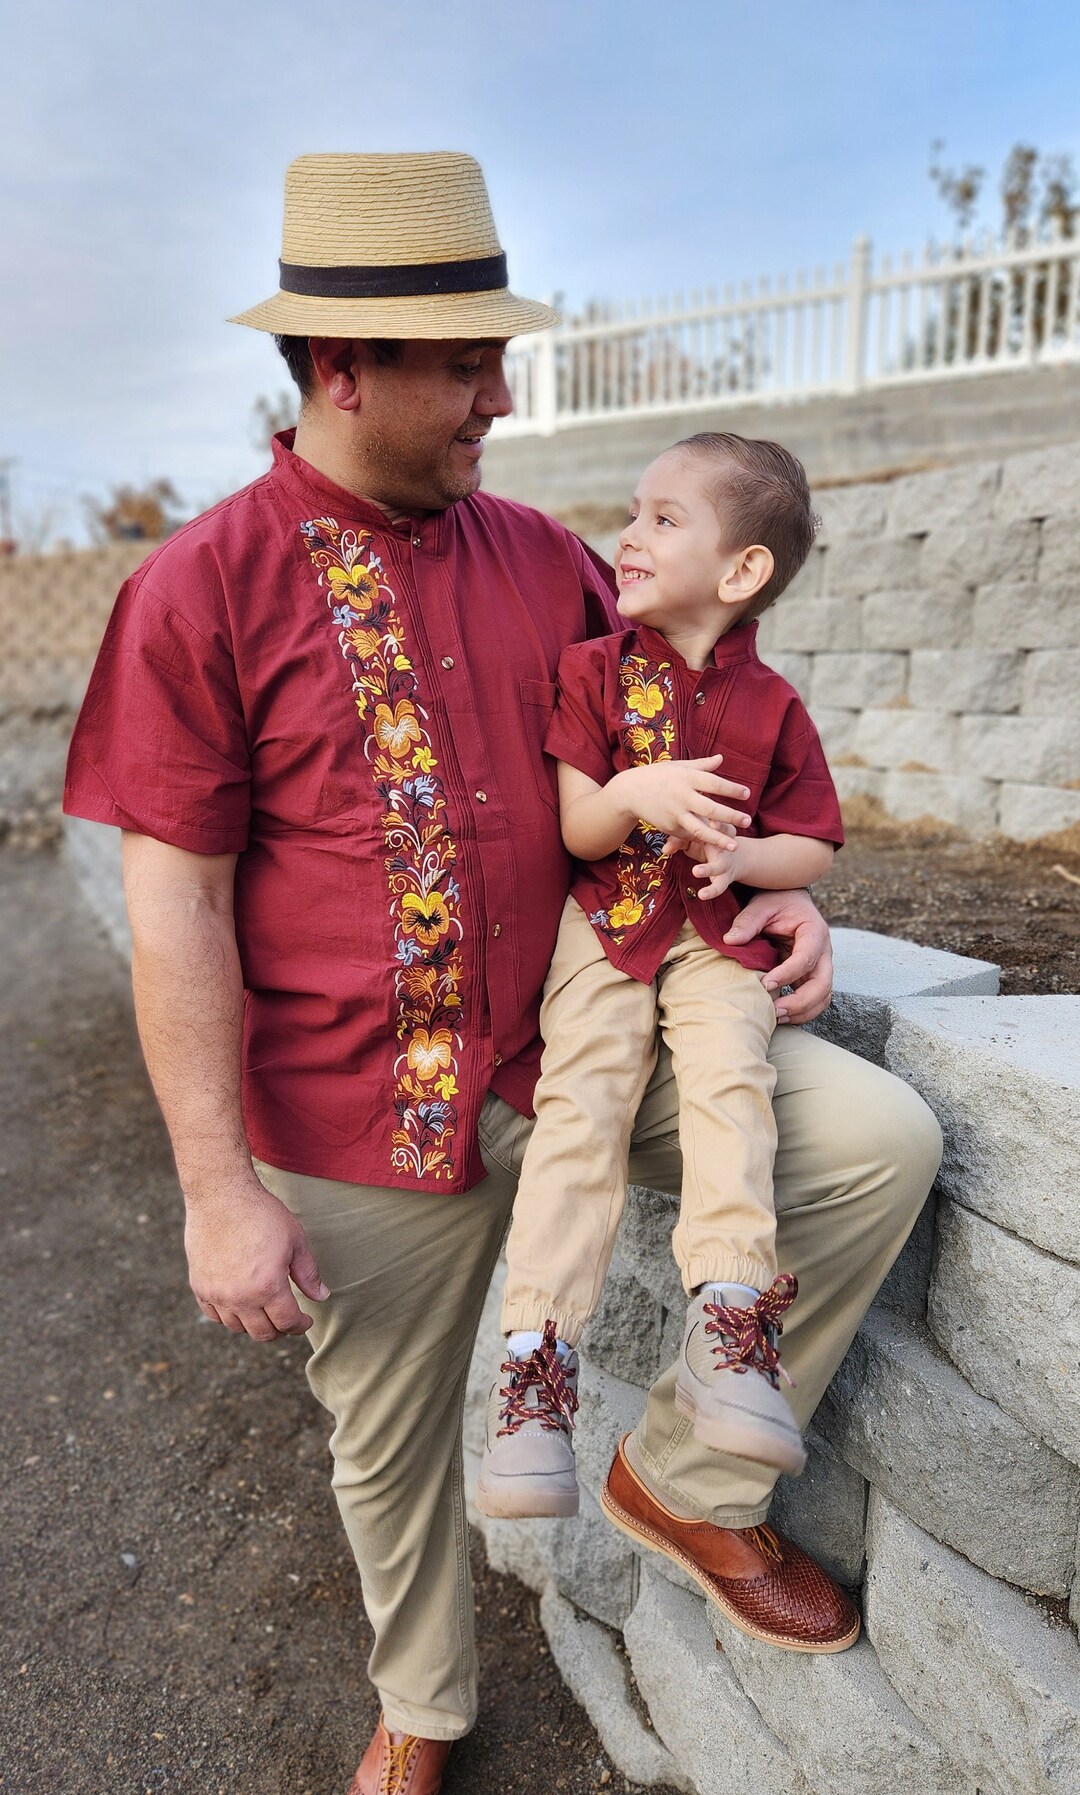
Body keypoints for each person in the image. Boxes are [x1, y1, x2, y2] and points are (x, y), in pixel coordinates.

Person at [64, 153, 943, 1795]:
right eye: (465, 363)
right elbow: (174, 906)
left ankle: (686, 1479)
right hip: (346, 1115)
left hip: (580, 1042)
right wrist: (212, 1190)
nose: (502, 393)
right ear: (342, 366)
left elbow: (691, 740)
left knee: (878, 1146)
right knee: (387, 1450)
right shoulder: (198, 591)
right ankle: (426, 1704)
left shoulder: (552, 559)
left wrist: (770, 898)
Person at [477, 431, 841, 1525]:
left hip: (716, 939)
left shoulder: (772, 705)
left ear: (741, 574)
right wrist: (640, 784)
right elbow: (579, 823)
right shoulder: (592, 673)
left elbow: (810, 844)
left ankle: (733, 1333)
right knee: (580, 1108)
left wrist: (747, 861)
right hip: (606, 927)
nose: (629, 536)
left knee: (735, 1083)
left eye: (664, 519)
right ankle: (536, 1383)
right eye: (633, 512)